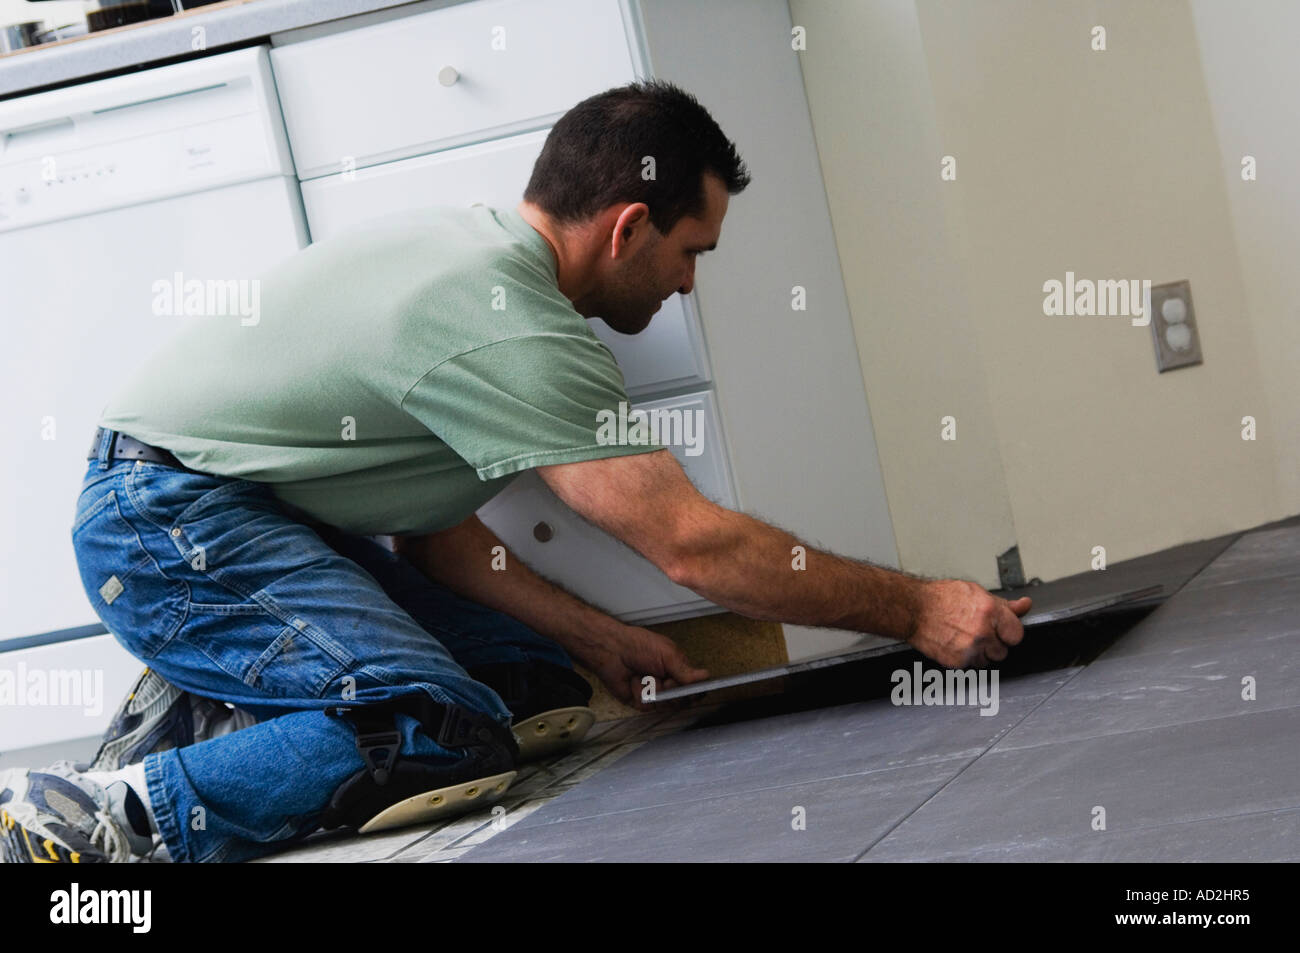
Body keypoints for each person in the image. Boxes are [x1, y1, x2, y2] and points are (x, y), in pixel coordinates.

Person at [0, 80, 1029, 864]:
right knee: (437, 725)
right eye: (690, 250)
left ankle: (216, 703)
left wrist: (601, 637)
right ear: (628, 225)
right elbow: (692, 543)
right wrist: (918, 610)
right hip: (166, 524)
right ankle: (103, 818)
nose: (688, 282)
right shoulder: (513, 328)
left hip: (243, 521)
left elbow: (436, 533)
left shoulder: (477, 266)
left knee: (528, 683)